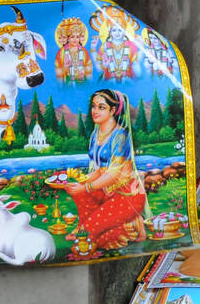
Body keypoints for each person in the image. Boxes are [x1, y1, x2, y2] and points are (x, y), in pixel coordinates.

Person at [62, 88, 148, 250]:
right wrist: (82, 182)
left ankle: (128, 226)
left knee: (93, 240)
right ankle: (94, 224)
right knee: (78, 193)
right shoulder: (95, 135)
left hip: (126, 195)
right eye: (94, 106)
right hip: (106, 192)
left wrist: (85, 187)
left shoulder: (120, 136)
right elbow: (100, 170)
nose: (95, 111)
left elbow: (114, 174)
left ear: (113, 110)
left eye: (101, 107)